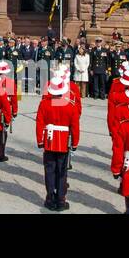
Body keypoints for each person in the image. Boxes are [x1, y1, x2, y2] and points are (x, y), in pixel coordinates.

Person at [36, 77, 79, 210]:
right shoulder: (70, 105)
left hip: (49, 141)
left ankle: (50, 198)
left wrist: (40, 140)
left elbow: (39, 123)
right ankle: (61, 200)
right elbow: (75, 126)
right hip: (63, 141)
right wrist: (75, 143)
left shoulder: (44, 104)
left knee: (49, 170)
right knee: (62, 172)